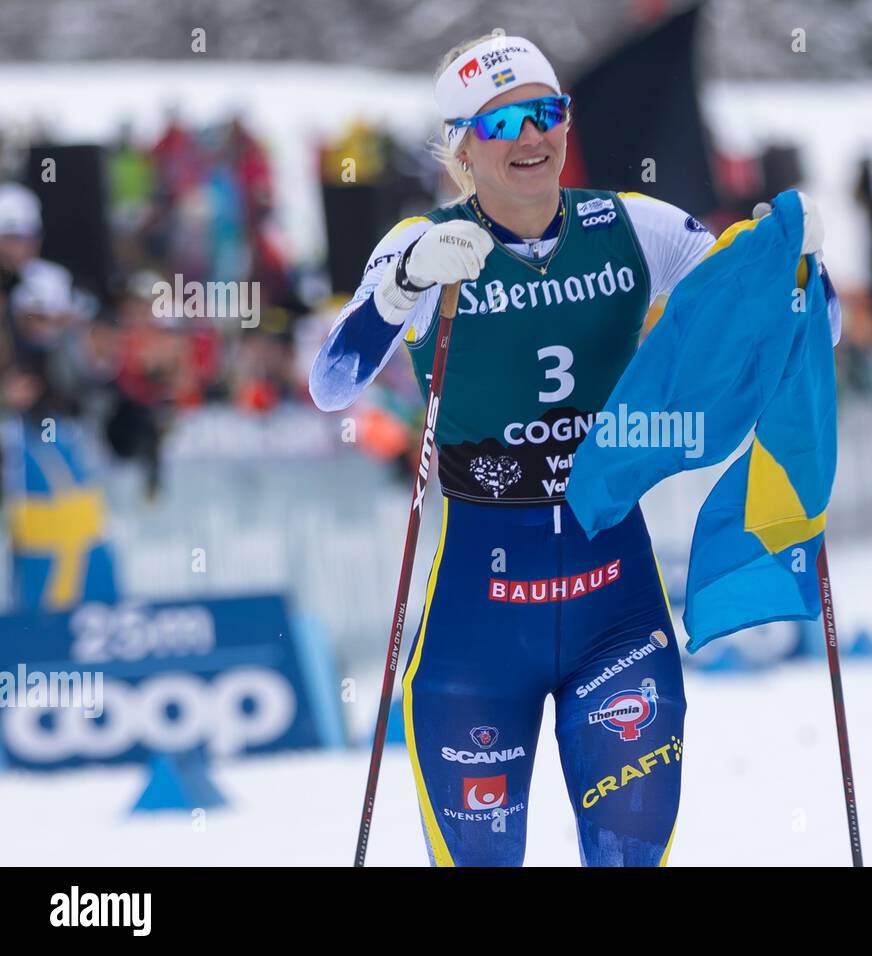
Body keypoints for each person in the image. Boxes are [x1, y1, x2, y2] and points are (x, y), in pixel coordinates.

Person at [310, 34, 837, 867]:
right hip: (474, 629)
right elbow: (333, 381)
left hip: (615, 609)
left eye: (546, 112)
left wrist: (796, 274)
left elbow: (779, 330)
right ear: (462, 146)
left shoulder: (635, 224)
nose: (531, 137)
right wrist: (404, 282)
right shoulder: (424, 240)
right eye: (503, 121)